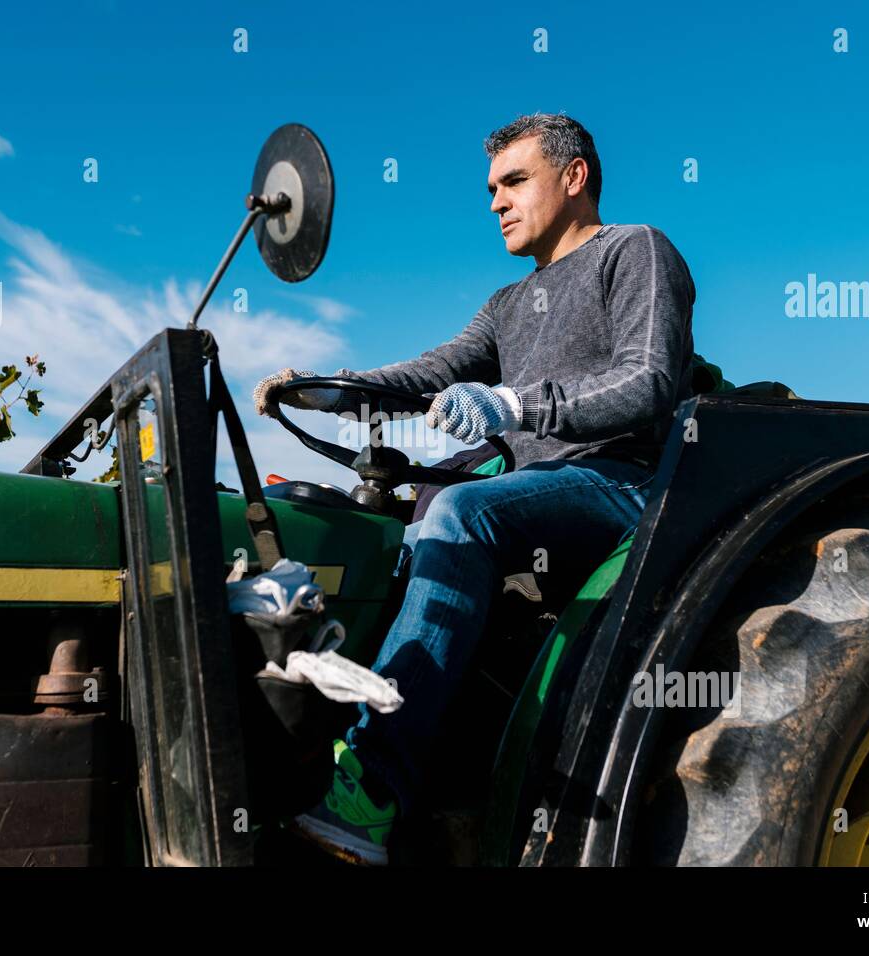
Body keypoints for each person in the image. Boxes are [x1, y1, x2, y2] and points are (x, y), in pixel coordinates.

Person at [253, 112, 696, 865]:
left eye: (515, 181)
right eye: (493, 188)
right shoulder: (507, 304)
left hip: (623, 485)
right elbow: (433, 371)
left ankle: (373, 789)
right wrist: (327, 389)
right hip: (537, 491)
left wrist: (519, 404)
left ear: (575, 177)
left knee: (459, 509)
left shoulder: (635, 250)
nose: (497, 201)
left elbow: (648, 380)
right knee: (389, 522)